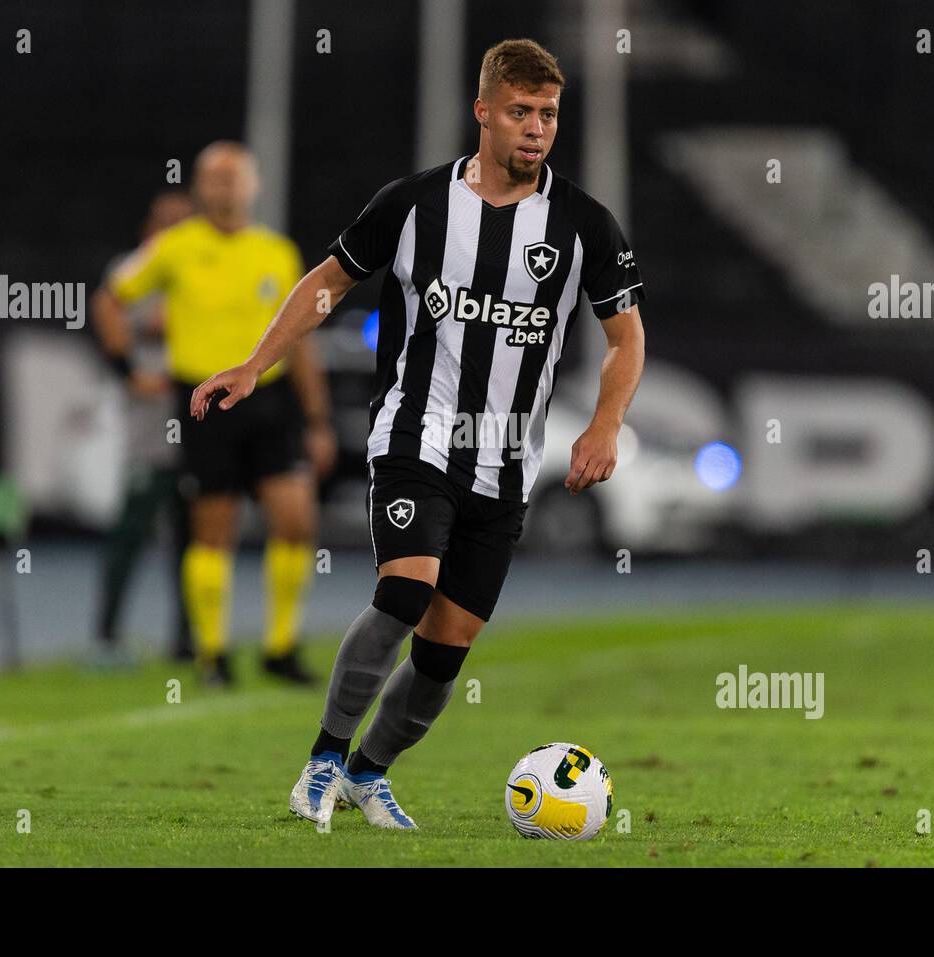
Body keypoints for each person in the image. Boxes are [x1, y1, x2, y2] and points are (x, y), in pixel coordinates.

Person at [191, 39, 645, 827]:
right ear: (483, 113)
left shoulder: (583, 226)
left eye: (548, 115)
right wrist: (256, 362)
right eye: (520, 113)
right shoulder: (412, 205)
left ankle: (369, 772)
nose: (536, 129)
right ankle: (323, 762)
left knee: (444, 652)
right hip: (416, 432)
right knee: (405, 589)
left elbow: (626, 337)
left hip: (506, 461)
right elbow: (329, 281)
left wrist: (606, 424)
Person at [107, 142, 336, 686]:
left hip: (271, 400)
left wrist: (318, 417)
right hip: (206, 402)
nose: (226, 187)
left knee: (297, 521)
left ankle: (280, 646)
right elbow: (111, 297)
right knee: (214, 531)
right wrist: (126, 368)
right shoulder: (174, 247)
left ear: (254, 186)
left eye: (235, 177)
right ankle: (213, 653)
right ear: (199, 188)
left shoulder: (277, 252)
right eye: (215, 178)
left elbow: (300, 342)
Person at [91, 189, 195, 664]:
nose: (173, 229)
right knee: (131, 529)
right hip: (149, 428)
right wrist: (129, 372)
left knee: (193, 535)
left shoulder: (202, 266)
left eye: (182, 221)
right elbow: (108, 307)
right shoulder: (134, 270)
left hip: (196, 423)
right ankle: (107, 634)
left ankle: (189, 640)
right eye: (165, 221)